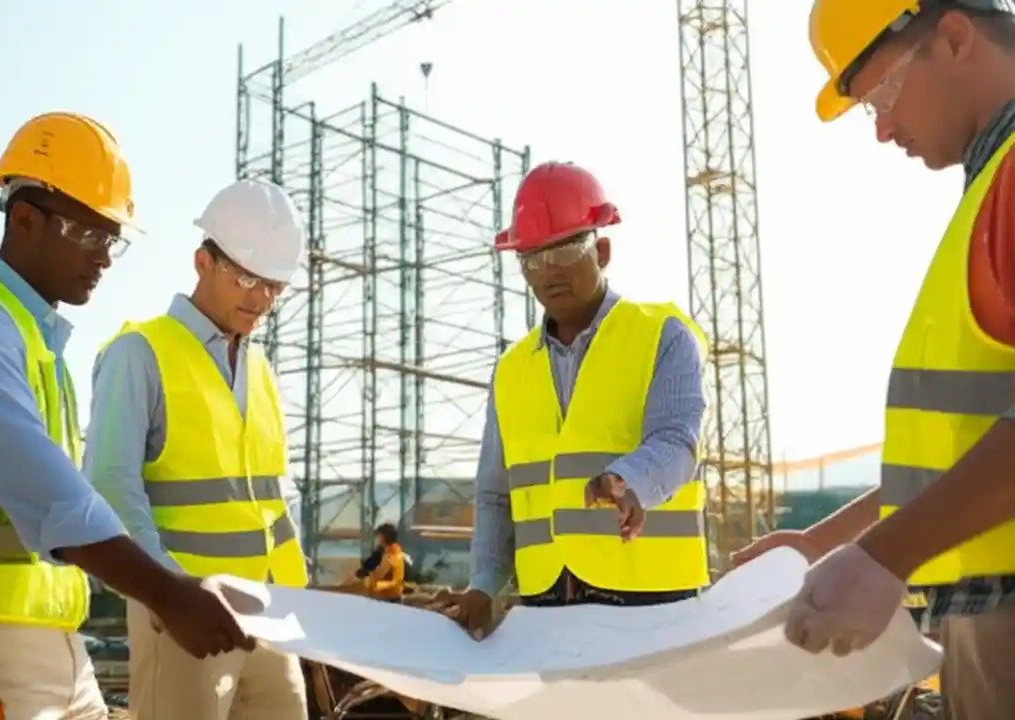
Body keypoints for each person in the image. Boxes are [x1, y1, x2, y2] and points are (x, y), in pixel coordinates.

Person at [0, 112, 254, 719]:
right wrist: (166, 593)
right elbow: (54, 496)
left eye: (112, 239)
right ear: (25, 220)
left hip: (58, 641)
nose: (105, 259)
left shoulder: (35, 339)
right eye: (88, 236)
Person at [732, 2, 1015, 717]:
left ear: (953, 37)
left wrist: (885, 555)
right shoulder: (990, 185)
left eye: (880, 95)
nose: (883, 129)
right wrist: (823, 542)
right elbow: (960, 450)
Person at [431, 161, 709, 639]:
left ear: (601, 251)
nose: (549, 272)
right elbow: (497, 495)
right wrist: (483, 585)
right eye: (532, 259)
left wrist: (629, 480)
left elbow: (678, 440)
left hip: (652, 604)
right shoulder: (512, 369)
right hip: (546, 606)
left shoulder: (661, 335)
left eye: (565, 251)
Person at [84, 178, 310, 720]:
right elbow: (112, 484)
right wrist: (168, 593)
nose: (260, 299)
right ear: (202, 262)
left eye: (274, 287)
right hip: (183, 614)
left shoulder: (259, 367)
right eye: (246, 278)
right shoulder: (140, 354)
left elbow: (279, 490)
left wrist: (298, 597)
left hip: (270, 613)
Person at [364, 523, 407, 602]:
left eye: (378, 536)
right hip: (390, 594)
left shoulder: (392, 555)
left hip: (389, 597)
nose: (377, 538)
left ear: (383, 537)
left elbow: (380, 574)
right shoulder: (393, 551)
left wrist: (368, 579)